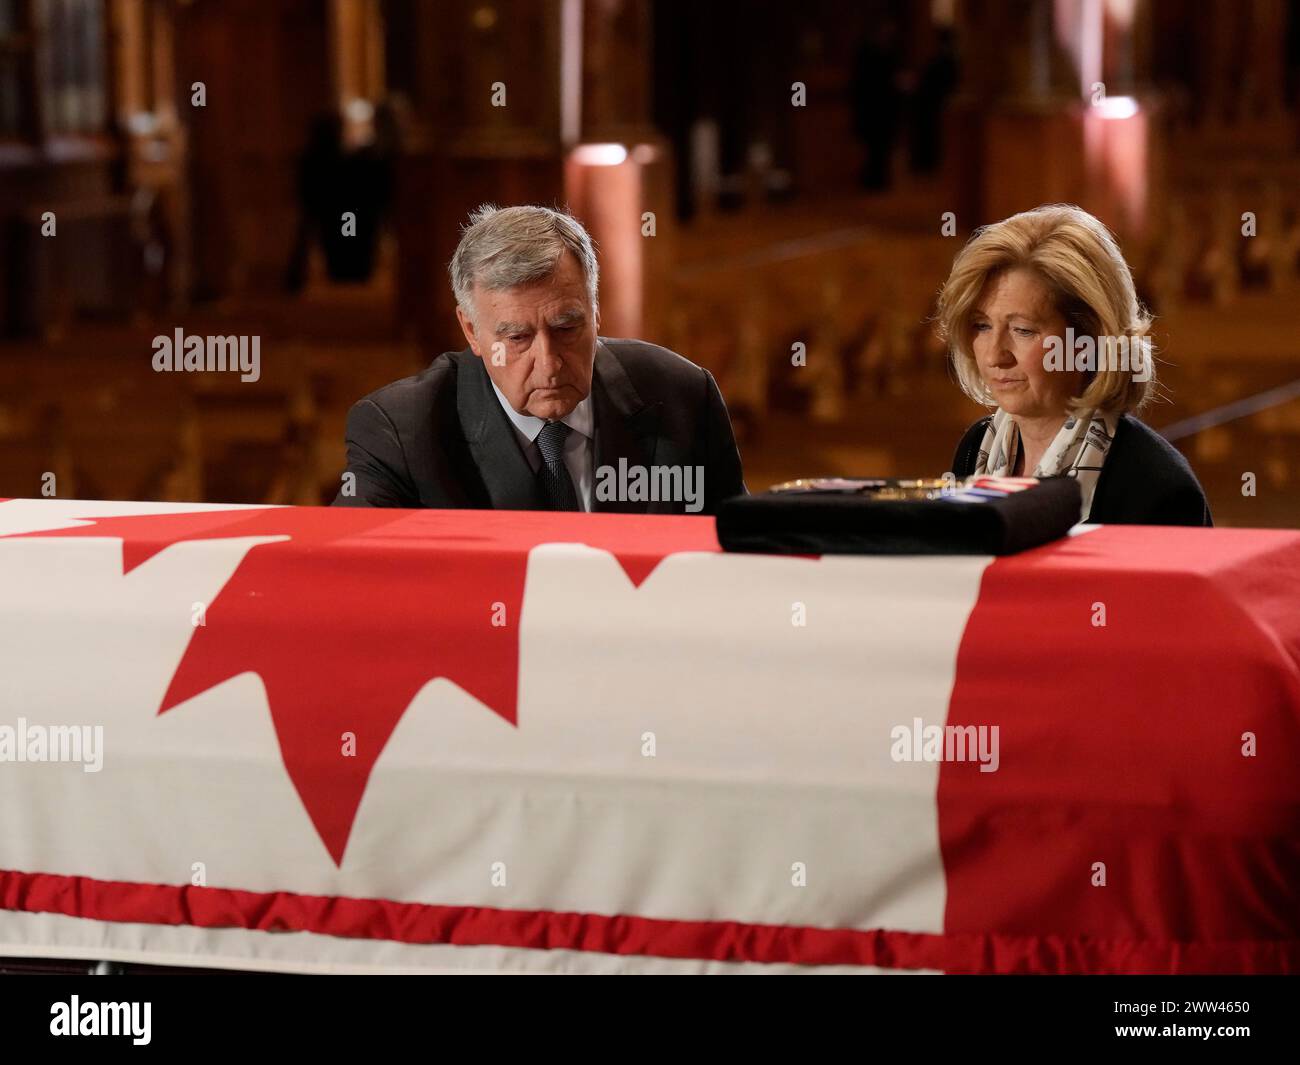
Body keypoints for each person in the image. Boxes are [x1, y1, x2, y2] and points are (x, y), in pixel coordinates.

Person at [333, 204, 746, 512]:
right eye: (517, 337)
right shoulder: (402, 433)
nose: (549, 364)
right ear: (471, 330)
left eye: (567, 328)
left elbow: (740, 559)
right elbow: (347, 576)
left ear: (595, 311)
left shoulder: (682, 396)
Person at [938, 204, 1211, 525]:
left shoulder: (1156, 484)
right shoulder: (975, 449)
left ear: (1089, 337)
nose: (994, 356)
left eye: (1023, 330)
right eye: (982, 326)